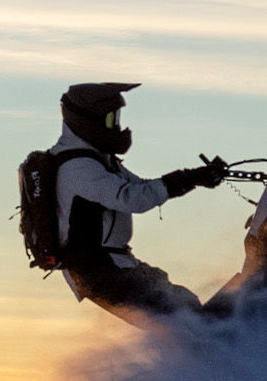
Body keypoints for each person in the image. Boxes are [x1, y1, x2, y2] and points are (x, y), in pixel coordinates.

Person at [49, 82, 228, 323]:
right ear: (88, 119)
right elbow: (132, 198)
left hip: (117, 263)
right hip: (100, 272)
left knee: (185, 304)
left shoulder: (96, 159)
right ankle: (212, 352)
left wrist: (194, 177)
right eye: (111, 119)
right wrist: (185, 178)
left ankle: (220, 339)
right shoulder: (79, 167)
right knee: (183, 320)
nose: (117, 126)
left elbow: (141, 187)